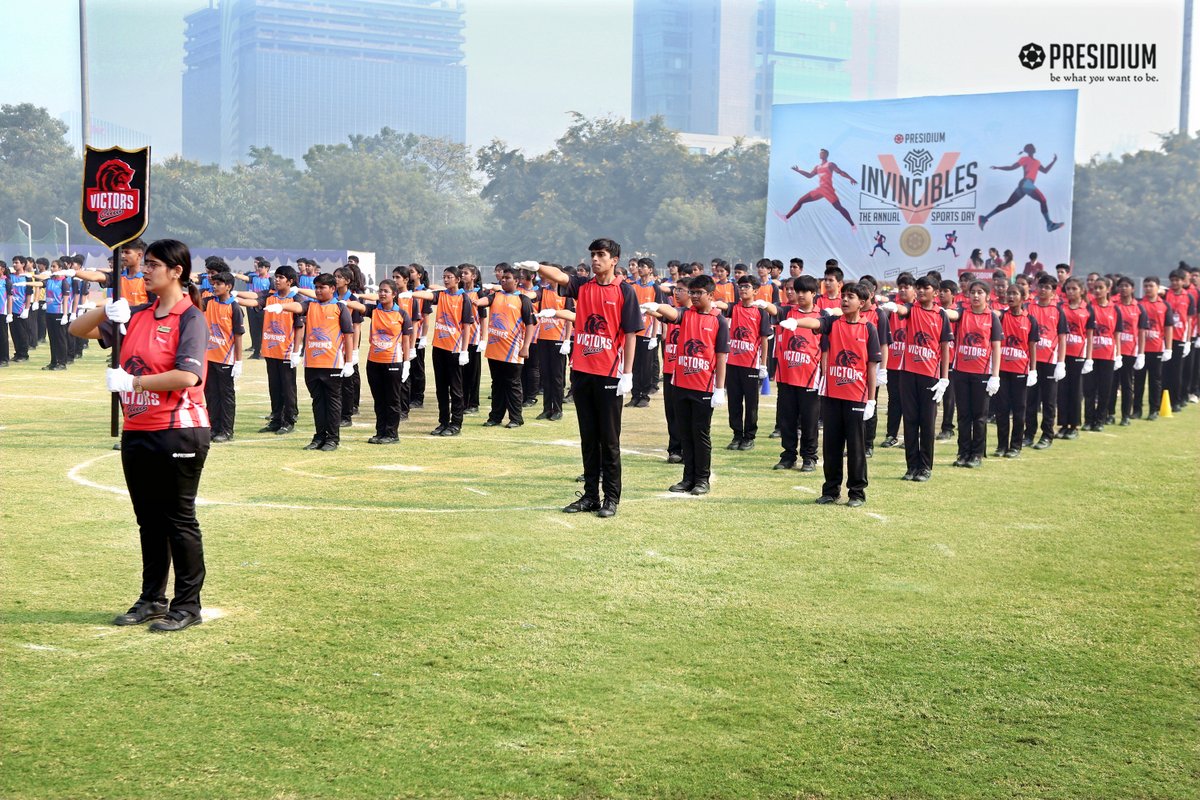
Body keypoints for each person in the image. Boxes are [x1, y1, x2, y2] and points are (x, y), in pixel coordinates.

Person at [69, 239, 211, 632]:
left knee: (179, 520)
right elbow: (76, 329)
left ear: (176, 271)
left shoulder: (190, 318)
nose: (144, 270)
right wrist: (106, 309)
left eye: (152, 265)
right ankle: (152, 599)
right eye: (144, 264)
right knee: (148, 520)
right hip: (137, 431)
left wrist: (133, 380)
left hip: (179, 432)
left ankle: (188, 605)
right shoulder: (136, 315)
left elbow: (188, 375)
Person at [529, 240, 643, 518]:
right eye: (593, 255)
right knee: (588, 438)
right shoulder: (584, 286)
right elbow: (560, 276)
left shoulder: (624, 291)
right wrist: (538, 267)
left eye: (601, 255)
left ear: (614, 259)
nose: (595, 259)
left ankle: (611, 498)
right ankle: (591, 495)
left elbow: (630, 335)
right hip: (582, 371)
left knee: (609, 440)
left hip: (608, 374)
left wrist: (627, 374)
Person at [640, 274, 729, 495]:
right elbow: (672, 313)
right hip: (681, 384)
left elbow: (721, 356)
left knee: (700, 434)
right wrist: (659, 305)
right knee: (685, 433)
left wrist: (719, 389)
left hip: (704, 387)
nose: (695, 296)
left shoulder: (718, 320)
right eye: (692, 292)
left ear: (710, 294)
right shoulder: (686, 315)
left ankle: (702, 479)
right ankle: (687, 477)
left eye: (699, 293)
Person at [794, 283, 881, 506]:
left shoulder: (868, 328)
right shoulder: (833, 323)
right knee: (831, 447)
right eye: (843, 297)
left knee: (855, 448)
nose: (844, 300)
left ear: (861, 303)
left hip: (856, 397)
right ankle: (831, 490)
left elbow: (872, 366)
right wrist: (796, 323)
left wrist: (871, 399)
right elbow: (815, 322)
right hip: (832, 395)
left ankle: (857, 493)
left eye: (850, 297)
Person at [882, 277, 953, 481]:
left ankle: (925, 467)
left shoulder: (941, 315)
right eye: (918, 288)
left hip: (930, 376)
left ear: (935, 292)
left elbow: (945, 347)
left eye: (926, 288)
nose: (921, 291)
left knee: (927, 423)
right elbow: (902, 311)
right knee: (911, 421)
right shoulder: (911, 309)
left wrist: (944, 378)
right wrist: (893, 307)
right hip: (908, 373)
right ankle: (911, 466)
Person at [411, 266, 476, 436]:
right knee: (441, 388)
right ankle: (443, 422)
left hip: (454, 350)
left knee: (455, 389)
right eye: (444, 277)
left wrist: (464, 351)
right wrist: (411, 293)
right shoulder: (442, 295)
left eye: (449, 277)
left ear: (457, 279)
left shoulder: (464, 298)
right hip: (439, 348)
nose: (446, 280)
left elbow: (467, 327)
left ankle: (456, 423)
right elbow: (428, 295)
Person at [474, 265, 536, 428]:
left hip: (513, 351)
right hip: (494, 350)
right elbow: (480, 302)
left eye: (507, 278)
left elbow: (530, 325)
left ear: (517, 281)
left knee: (513, 385)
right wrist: (474, 298)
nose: (503, 280)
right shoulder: (495, 296)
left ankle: (516, 418)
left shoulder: (523, 299)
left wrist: (526, 346)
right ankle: (495, 417)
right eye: (502, 277)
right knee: (497, 384)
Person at [772, 275, 823, 471]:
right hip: (786, 376)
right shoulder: (787, 312)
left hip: (810, 378)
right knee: (787, 420)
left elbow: (825, 349)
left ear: (814, 293)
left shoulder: (821, 317)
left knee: (810, 422)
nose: (799, 294)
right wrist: (764, 305)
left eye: (803, 291)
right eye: (795, 290)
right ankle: (788, 455)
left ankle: (809, 457)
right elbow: (773, 309)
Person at [299, 273, 355, 451]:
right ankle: (319, 436)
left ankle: (332, 438)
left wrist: (349, 362)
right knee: (317, 402)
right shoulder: (310, 305)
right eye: (316, 287)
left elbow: (348, 335)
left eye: (322, 287)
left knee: (332, 402)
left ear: (332, 289)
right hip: (312, 364)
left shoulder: (340, 307)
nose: (318, 291)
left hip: (332, 364)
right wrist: (280, 306)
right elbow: (296, 306)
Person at [949, 281, 1002, 467]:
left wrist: (995, 376)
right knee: (963, 415)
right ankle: (963, 453)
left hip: (982, 374)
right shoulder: (963, 313)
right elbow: (952, 314)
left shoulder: (992, 317)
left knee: (979, 416)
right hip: (961, 372)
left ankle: (977, 454)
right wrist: (937, 309)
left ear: (987, 296)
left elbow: (996, 347)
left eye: (980, 292)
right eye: (973, 292)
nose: (976, 296)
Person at [722, 275, 772, 451]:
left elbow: (764, 339)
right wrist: (714, 303)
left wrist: (763, 365)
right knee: (734, 402)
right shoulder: (733, 308)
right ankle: (736, 435)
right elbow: (723, 306)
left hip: (751, 365)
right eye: (740, 286)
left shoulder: (760, 312)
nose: (742, 290)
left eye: (747, 287)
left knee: (751, 403)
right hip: (733, 363)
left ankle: (749, 437)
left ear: (756, 291)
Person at [362, 279, 414, 444]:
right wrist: (344, 300)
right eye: (380, 291)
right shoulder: (374, 311)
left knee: (392, 399)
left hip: (393, 363)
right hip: (373, 362)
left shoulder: (401, 314)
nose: (382, 294)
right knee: (379, 400)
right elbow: (358, 306)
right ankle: (380, 432)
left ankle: (392, 434)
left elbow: (406, 341)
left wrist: (406, 363)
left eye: (386, 291)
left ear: (394, 294)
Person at [994, 283, 1039, 457]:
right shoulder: (1001, 317)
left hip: (1021, 371)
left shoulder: (1030, 320)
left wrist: (1033, 370)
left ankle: (1015, 446)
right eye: (1008, 293)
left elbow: (1032, 346)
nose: (1010, 296)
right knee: (1002, 409)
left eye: (1014, 294)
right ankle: (1001, 445)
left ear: (1023, 297)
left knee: (1019, 410)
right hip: (1002, 371)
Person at [201, 271, 246, 443]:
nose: (215, 286)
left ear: (228, 286)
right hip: (209, 358)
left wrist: (238, 361)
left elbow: (238, 336)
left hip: (225, 359)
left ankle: (227, 430)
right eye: (214, 283)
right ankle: (213, 427)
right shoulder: (208, 302)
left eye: (219, 284)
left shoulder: (234, 307)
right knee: (211, 395)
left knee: (226, 396)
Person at [1025, 275, 1069, 449]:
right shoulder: (1029, 308)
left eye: (1047, 287)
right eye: (1041, 286)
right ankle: (1028, 434)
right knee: (1030, 400)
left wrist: (1061, 363)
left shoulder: (1058, 311)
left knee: (1049, 401)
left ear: (1053, 291)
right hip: (1031, 362)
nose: (1043, 290)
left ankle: (1047, 435)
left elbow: (1062, 338)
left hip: (1050, 361)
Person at [979, 144, 1064, 232]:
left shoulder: (1037, 162)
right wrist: (998, 167)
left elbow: (1045, 171)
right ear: (1029, 150)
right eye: (1032, 147)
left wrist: (1053, 161)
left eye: (1034, 147)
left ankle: (984, 218)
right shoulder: (1025, 159)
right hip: (1026, 183)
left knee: (1009, 204)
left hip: (1024, 185)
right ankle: (1049, 224)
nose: (1035, 148)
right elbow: (1012, 167)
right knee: (1042, 200)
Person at [776, 148, 859, 230]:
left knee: (839, 208)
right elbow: (809, 175)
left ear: (826, 155)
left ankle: (853, 225)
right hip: (820, 190)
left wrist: (850, 178)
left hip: (828, 190)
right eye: (820, 153)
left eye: (822, 153)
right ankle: (786, 217)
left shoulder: (830, 164)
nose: (820, 154)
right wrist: (798, 170)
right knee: (801, 201)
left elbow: (841, 172)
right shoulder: (817, 167)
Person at [1056, 277, 1095, 439]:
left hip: (1078, 355)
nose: (1070, 292)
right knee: (1062, 391)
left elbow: (1090, 336)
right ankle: (1063, 425)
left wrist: (1089, 358)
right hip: (1063, 355)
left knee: (1075, 391)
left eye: (1074, 289)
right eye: (1068, 289)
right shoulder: (1060, 308)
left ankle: (1074, 426)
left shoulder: (1087, 310)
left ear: (1082, 290)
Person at [880, 273, 915, 449]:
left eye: (906, 287)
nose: (902, 290)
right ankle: (891, 434)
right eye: (900, 287)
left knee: (911, 403)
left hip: (912, 365)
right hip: (894, 363)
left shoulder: (917, 309)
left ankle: (911, 437)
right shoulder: (892, 308)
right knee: (894, 401)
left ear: (914, 289)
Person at [533, 270, 573, 421]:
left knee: (557, 377)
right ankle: (546, 408)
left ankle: (557, 409)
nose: (546, 278)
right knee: (546, 375)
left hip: (558, 339)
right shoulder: (543, 292)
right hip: (543, 338)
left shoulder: (565, 294)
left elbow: (569, 318)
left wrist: (567, 340)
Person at [1134, 276, 1174, 420]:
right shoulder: (1139, 304)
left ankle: (1154, 410)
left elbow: (1168, 327)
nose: (1148, 289)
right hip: (1140, 349)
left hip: (1156, 348)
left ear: (1158, 287)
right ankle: (1137, 410)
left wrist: (1168, 348)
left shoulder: (1164, 305)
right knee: (1138, 380)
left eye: (1151, 286)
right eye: (1146, 286)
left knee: (1155, 380)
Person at [1082, 277, 1118, 432]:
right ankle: (1088, 420)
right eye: (1095, 287)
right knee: (1089, 389)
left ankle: (1100, 420)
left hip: (1108, 356)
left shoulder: (1115, 309)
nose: (1096, 290)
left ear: (1108, 289)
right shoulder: (1089, 308)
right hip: (1091, 355)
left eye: (1100, 287)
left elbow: (1117, 334)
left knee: (1105, 390)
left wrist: (1118, 355)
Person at [1111, 276, 1148, 425]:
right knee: (1112, 384)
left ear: (1133, 289)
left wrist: (1141, 354)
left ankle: (1126, 415)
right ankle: (1110, 413)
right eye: (1121, 286)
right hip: (1113, 352)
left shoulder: (1138, 308)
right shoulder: (1114, 306)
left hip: (1130, 351)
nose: (1123, 288)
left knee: (1127, 385)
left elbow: (1141, 332)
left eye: (1126, 286)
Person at [629, 258, 664, 408]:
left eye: (643, 266)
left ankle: (644, 395)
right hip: (634, 332)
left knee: (646, 366)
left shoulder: (655, 288)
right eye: (640, 266)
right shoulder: (632, 287)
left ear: (650, 270)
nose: (640, 269)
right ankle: (635, 395)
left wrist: (654, 336)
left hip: (648, 333)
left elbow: (658, 312)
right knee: (634, 365)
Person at [1163, 268, 1195, 412]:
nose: (1175, 282)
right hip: (1165, 339)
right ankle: (1161, 400)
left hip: (1180, 338)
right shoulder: (1165, 294)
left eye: (1178, 280)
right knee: (1164, 371)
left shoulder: (1189, 297)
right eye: (1173, 280)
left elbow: (1189, 320)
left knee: (1177, 372)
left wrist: (1188, 340)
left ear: (1183, 281)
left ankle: (1176, 401)